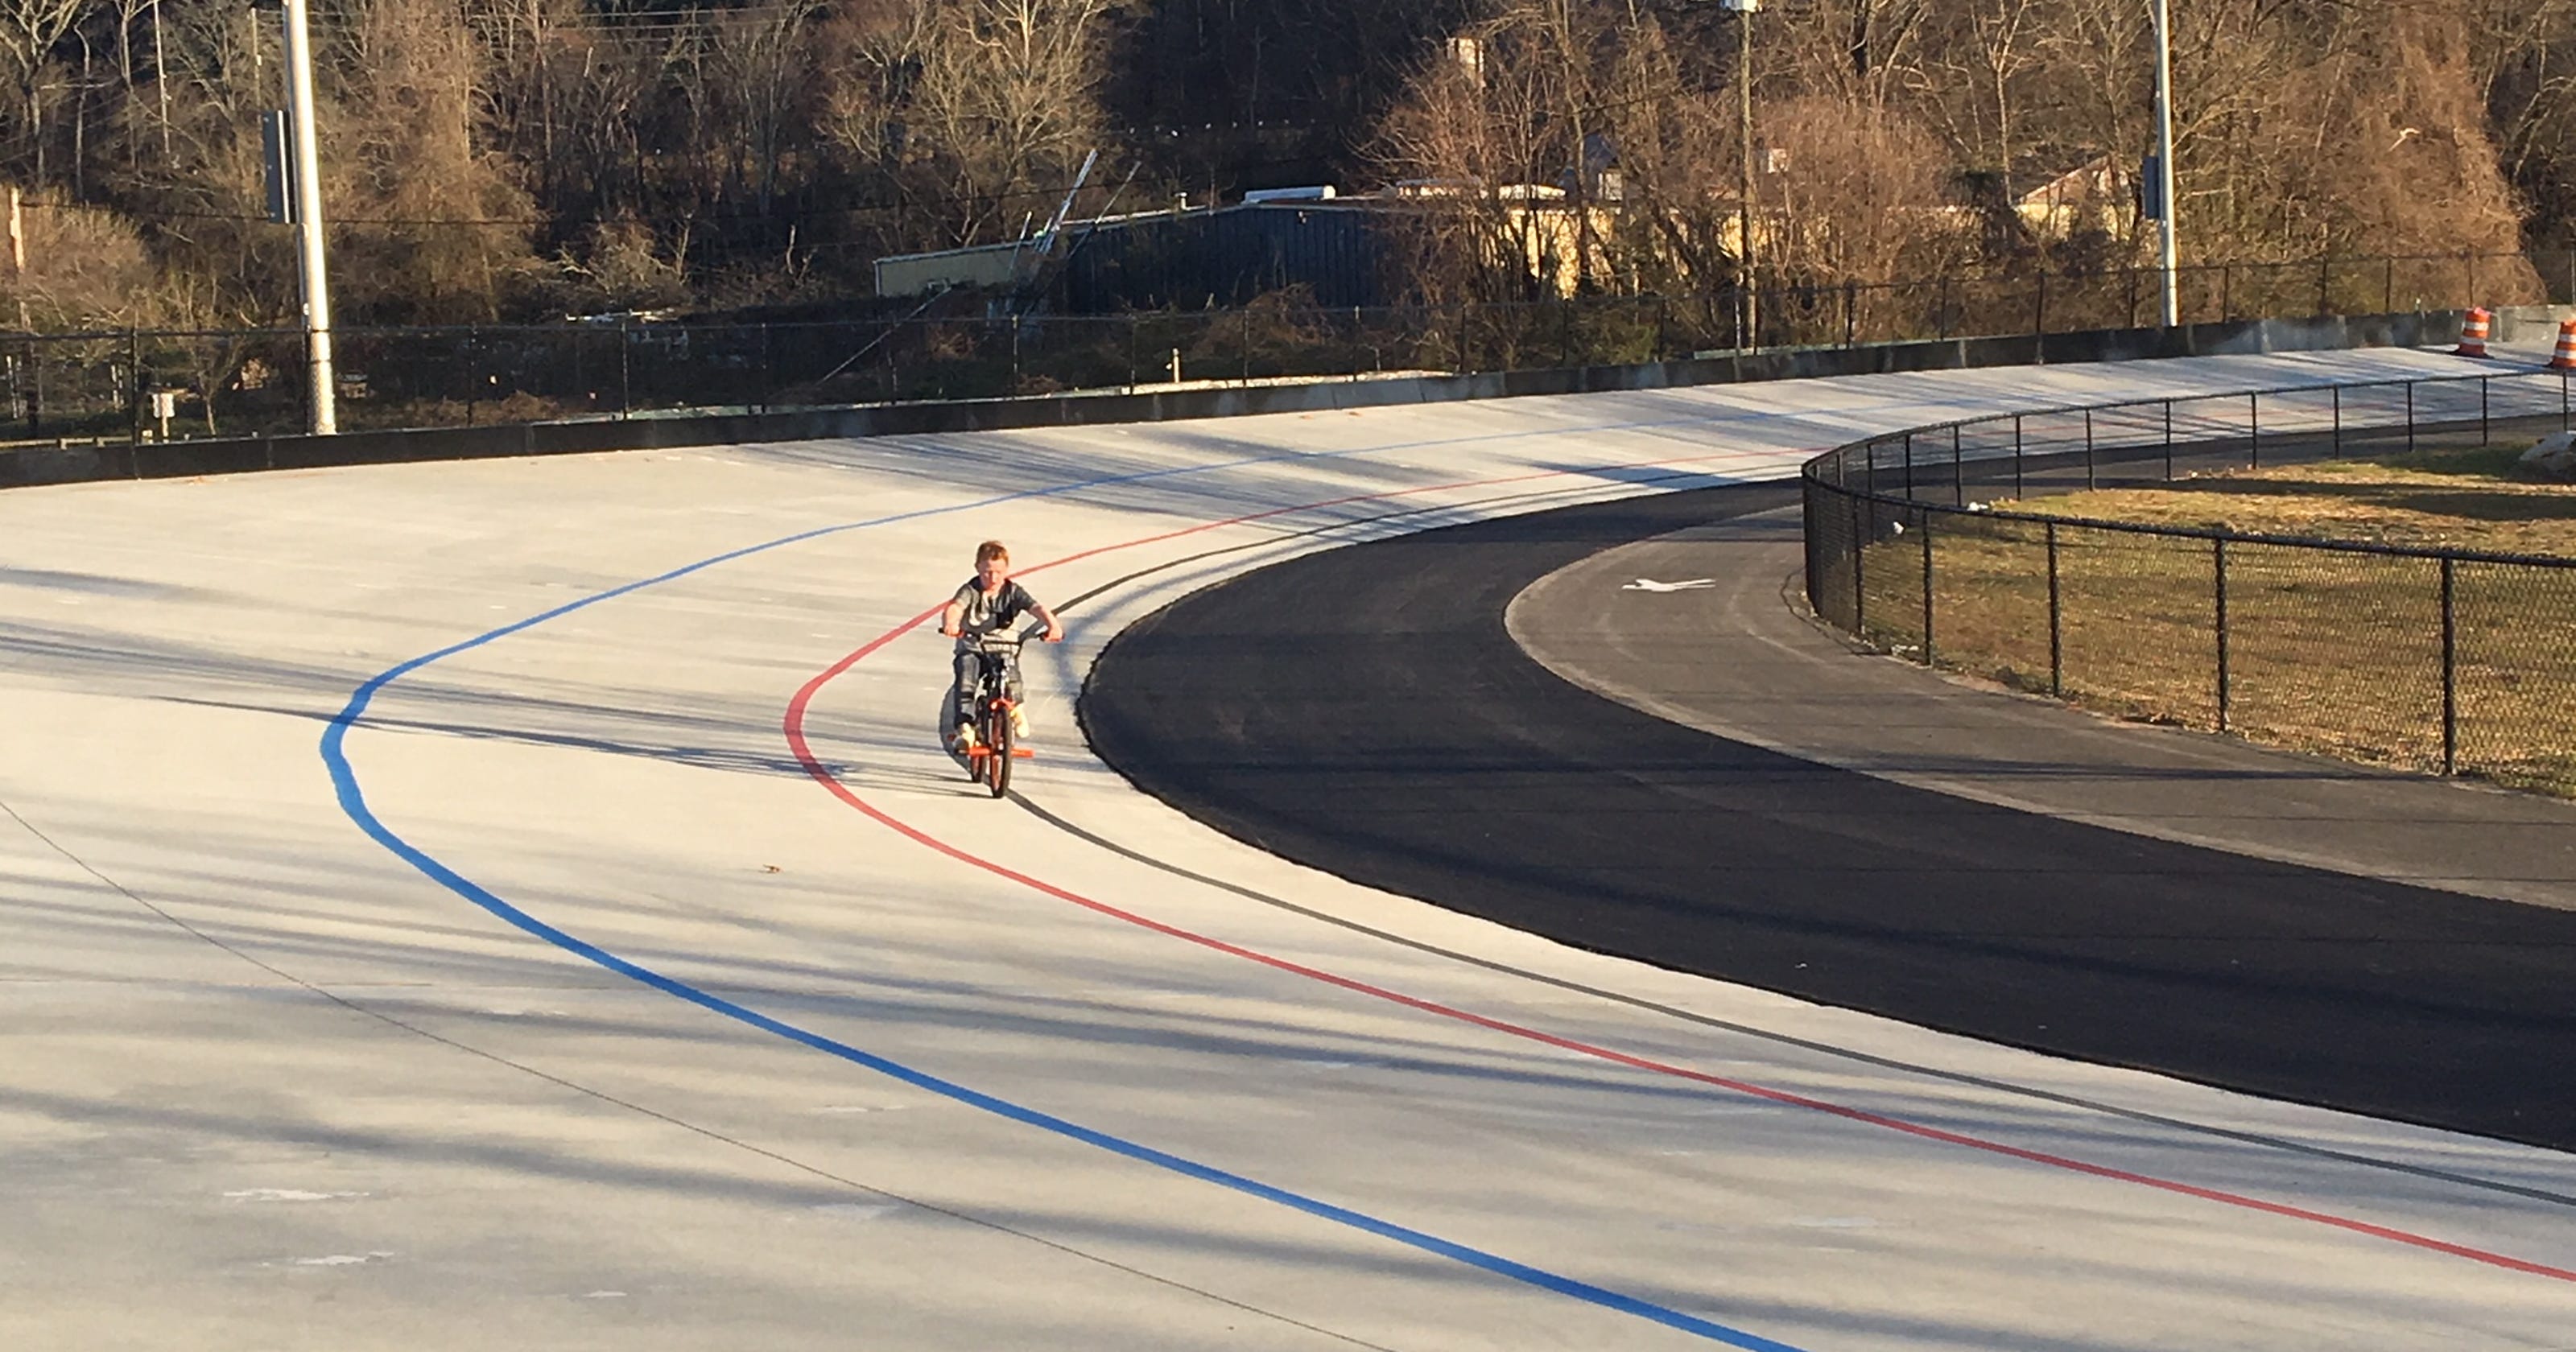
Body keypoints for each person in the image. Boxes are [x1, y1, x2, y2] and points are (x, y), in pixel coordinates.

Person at [939, 540, 1064, 752]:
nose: (993, 578)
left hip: (1003, 647)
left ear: (1006, 569)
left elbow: (1036, 608)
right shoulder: (971, 590)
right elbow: (955, 608)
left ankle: (1016, 711)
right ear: (977, 567)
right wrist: (950, 624)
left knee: (1012, 677)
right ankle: (966, 730)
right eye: (987, 572)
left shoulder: (1013, 592)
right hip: (973, 646)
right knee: (966, 682)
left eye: (998, 572)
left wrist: (1053, 626)